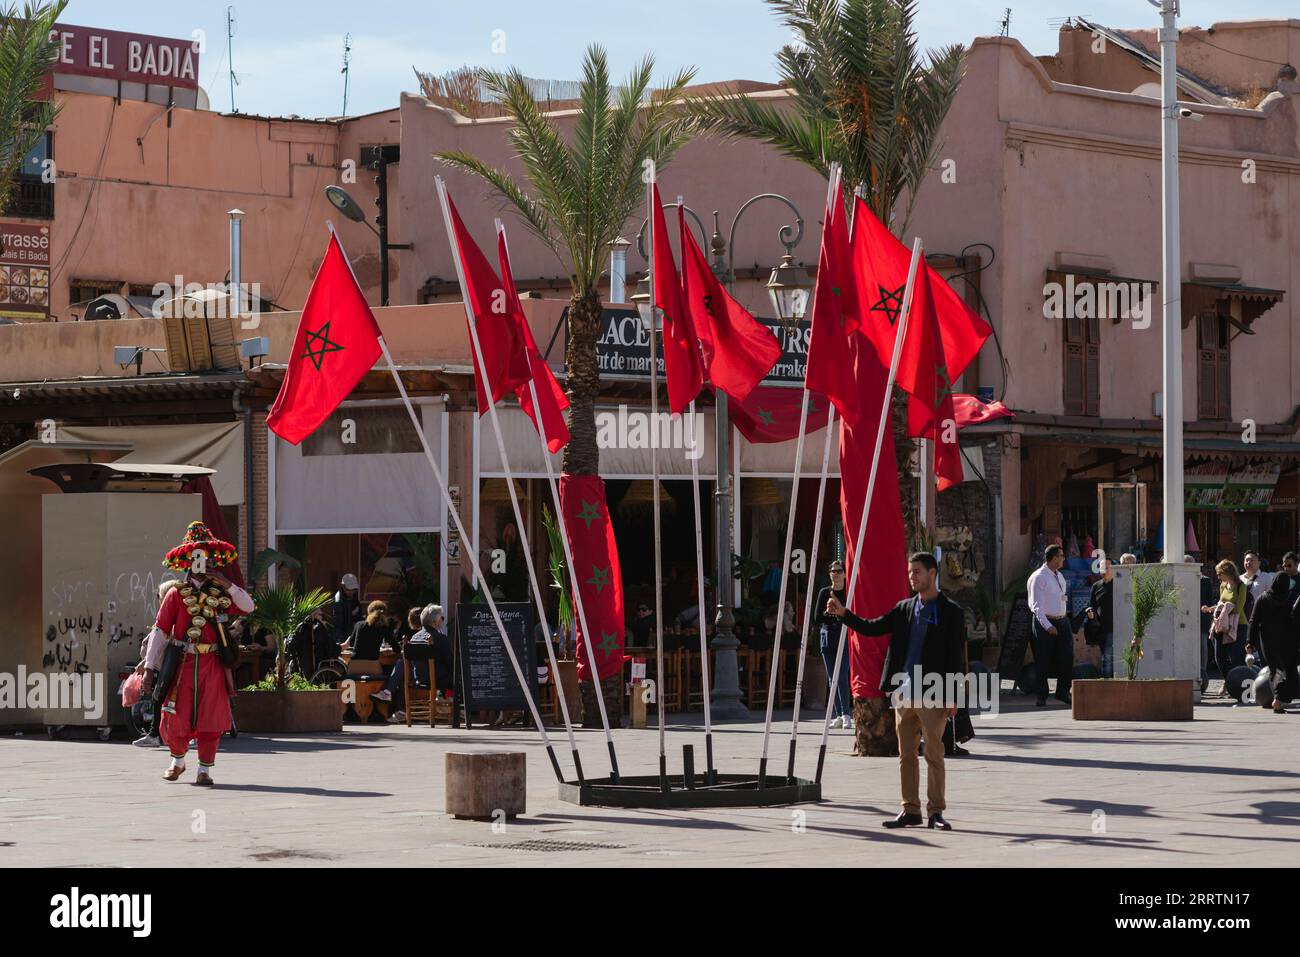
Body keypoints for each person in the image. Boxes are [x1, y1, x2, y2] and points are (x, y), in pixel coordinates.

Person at [825, 553, 966, 831]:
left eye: (917, 572)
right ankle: (910, 810)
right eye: (910, 572)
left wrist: (953, 696)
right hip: (903, 692)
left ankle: (936, 812)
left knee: (934, 755)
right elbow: (873, 626)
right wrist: (844, 615)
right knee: (906, 755)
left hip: (933, 692)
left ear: (933, 573)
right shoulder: (904, 608)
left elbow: (954, 656)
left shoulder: (951, 611)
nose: (912, 577)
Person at [147, 522, 254, 786]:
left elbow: (248, 607)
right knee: (175, 713)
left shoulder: (223, 591)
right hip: (183, 663)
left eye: (204, 557)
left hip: (213, 664)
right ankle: (178, 762)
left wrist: (226, 582)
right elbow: (160, 631)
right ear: (187, 561)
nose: (200, 563)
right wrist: (149, 666)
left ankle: (204, 770)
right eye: (196, 557)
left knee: (211, 716)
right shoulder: (175, 594)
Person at [132, 578, 179, 748]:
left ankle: (157, 735)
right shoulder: (169, 616)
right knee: (159, 699)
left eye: (160, 595)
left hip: (168, 666)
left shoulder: (171, 618)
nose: (158, 598)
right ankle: (155, 734)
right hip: (163, 665)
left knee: (163, 698)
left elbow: (161, 642)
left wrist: (146, 665)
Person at [1027, 544, 1072, 706]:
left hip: (1062, 620)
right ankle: (1042, 694)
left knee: (1066, 657)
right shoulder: (1039, 577)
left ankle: (1062, 692)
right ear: (1053, 558)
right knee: (1043, 659)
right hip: (1045, 621)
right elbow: (1036, 606)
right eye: (1061, 556)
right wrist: (1047, 626)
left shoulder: (1059, 575)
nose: (1063, 558)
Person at [812, 560, 853, 729]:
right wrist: (834, 614)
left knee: (842, 675)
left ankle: (846, 714)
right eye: (832, 571)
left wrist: (836, 614)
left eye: (838, 570)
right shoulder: (824, 592)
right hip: (827, 635)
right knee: (832, 678)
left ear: (844, 573)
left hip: (844, 636)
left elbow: (851, 614)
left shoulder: (849, 591)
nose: (835, 573)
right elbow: (817, 617)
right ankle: (837, 715)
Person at [1250, 574, 1297, 714]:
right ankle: (1279, 699)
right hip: (1288, 641)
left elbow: (1254, 621)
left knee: (1276, 670)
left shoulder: (1264, 598)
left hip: (1268, 641)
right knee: (1288, 669)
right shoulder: (1291, 597)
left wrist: (1250, 641)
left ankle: (1279, 699)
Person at [1201, 559, 1247, 685]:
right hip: (1221, 624)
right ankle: (1229, 681)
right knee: (1219, 657)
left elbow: (1238, 608)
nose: (1218, 576)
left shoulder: (1241, 586)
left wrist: (1224, 608)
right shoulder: (1222, 586)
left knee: (1235, 656)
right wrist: (1210, 609)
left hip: (1238, 624)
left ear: (1228, 572)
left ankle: (1236, 682)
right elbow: (1221, 604)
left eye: (1220, 573)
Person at [1086, 558, 1115, 676]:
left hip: (1115, 629)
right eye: (1102, 567)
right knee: (1105, 657)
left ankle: (1109, 685)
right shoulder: (1096, 586)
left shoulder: (1119, 584)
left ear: (1113, 569)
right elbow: (1091, 605)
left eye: (1107, 567)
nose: (1104, 570)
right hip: (1101, 628)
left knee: (1107, 659)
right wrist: (1089, 611)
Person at [332, 574, 363, 648]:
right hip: (344, 641)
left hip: (354, 638)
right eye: (349, 589)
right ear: (343, 586)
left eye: (354, 589)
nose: (351, 591)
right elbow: (338, 626)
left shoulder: (353, 596)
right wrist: (341, 645)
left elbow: (358, 616)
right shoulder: (338, 601)